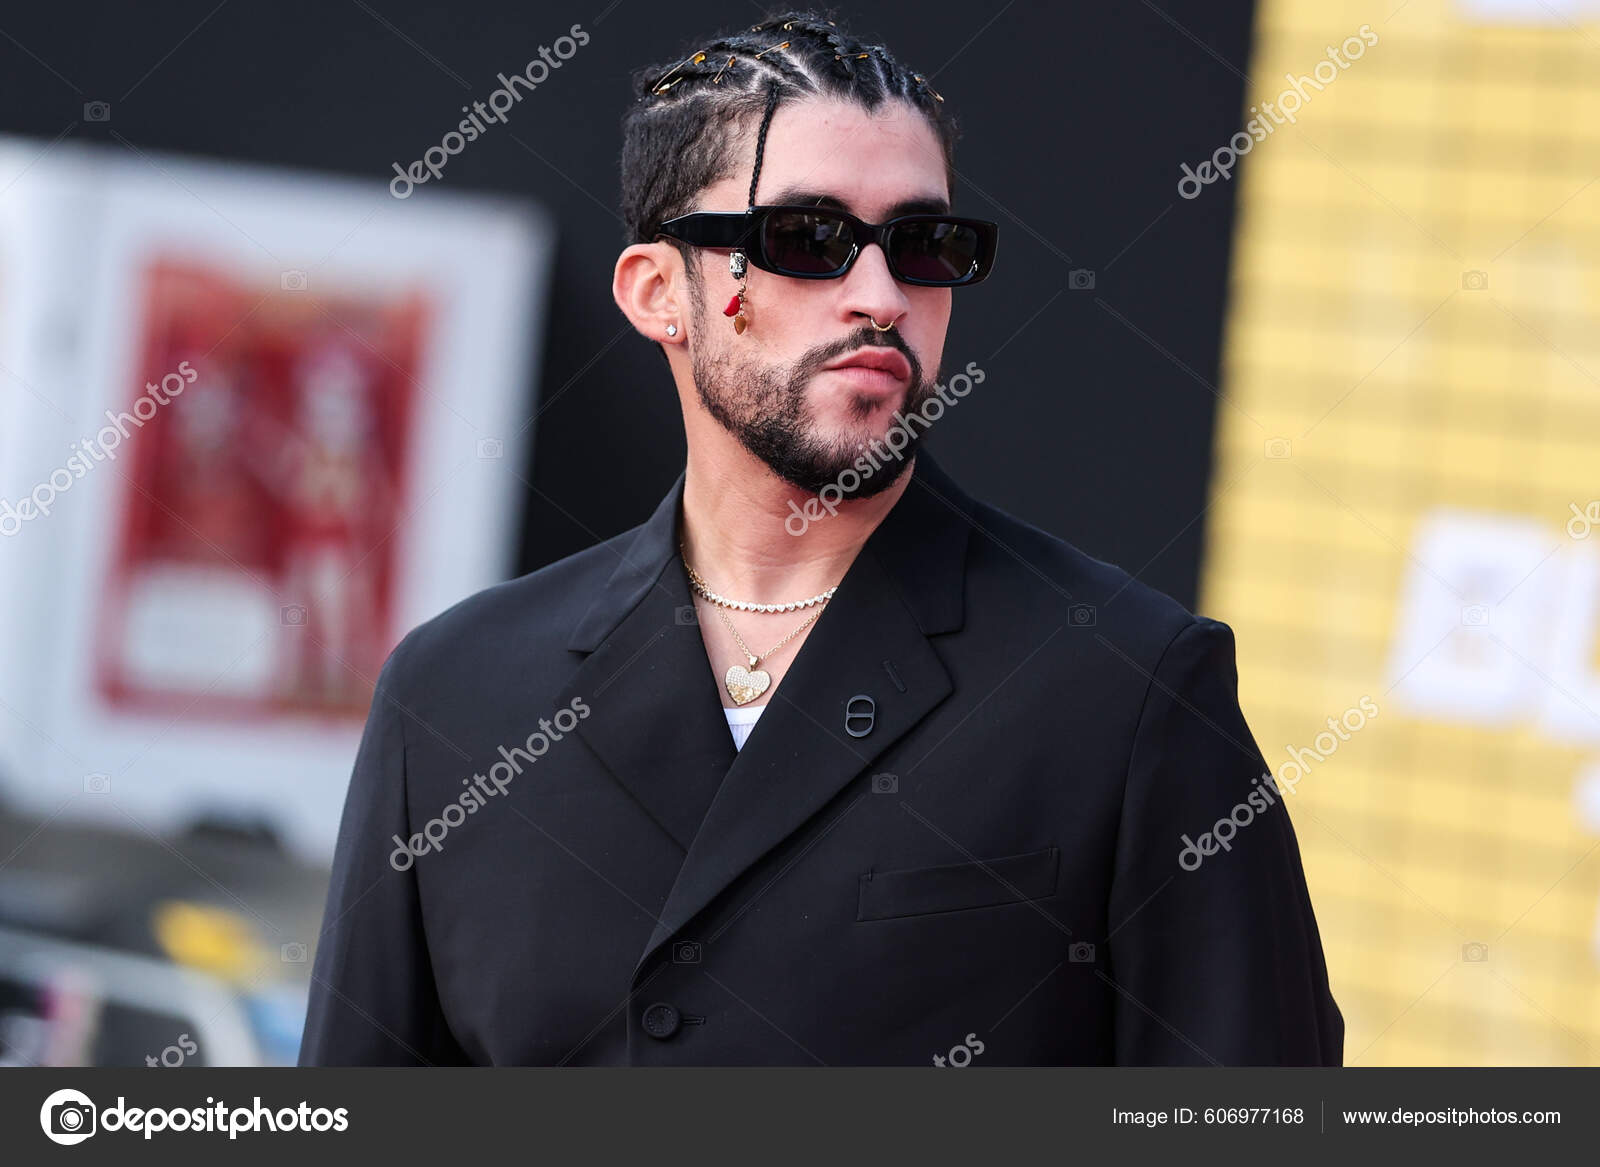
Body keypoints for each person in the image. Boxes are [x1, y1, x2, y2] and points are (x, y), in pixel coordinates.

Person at [299, 9, 1342, 1067]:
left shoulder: (1126, 685)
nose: (881, 298)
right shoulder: (456, 696)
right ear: (661, 292)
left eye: (925, 245)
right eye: (809, 238)